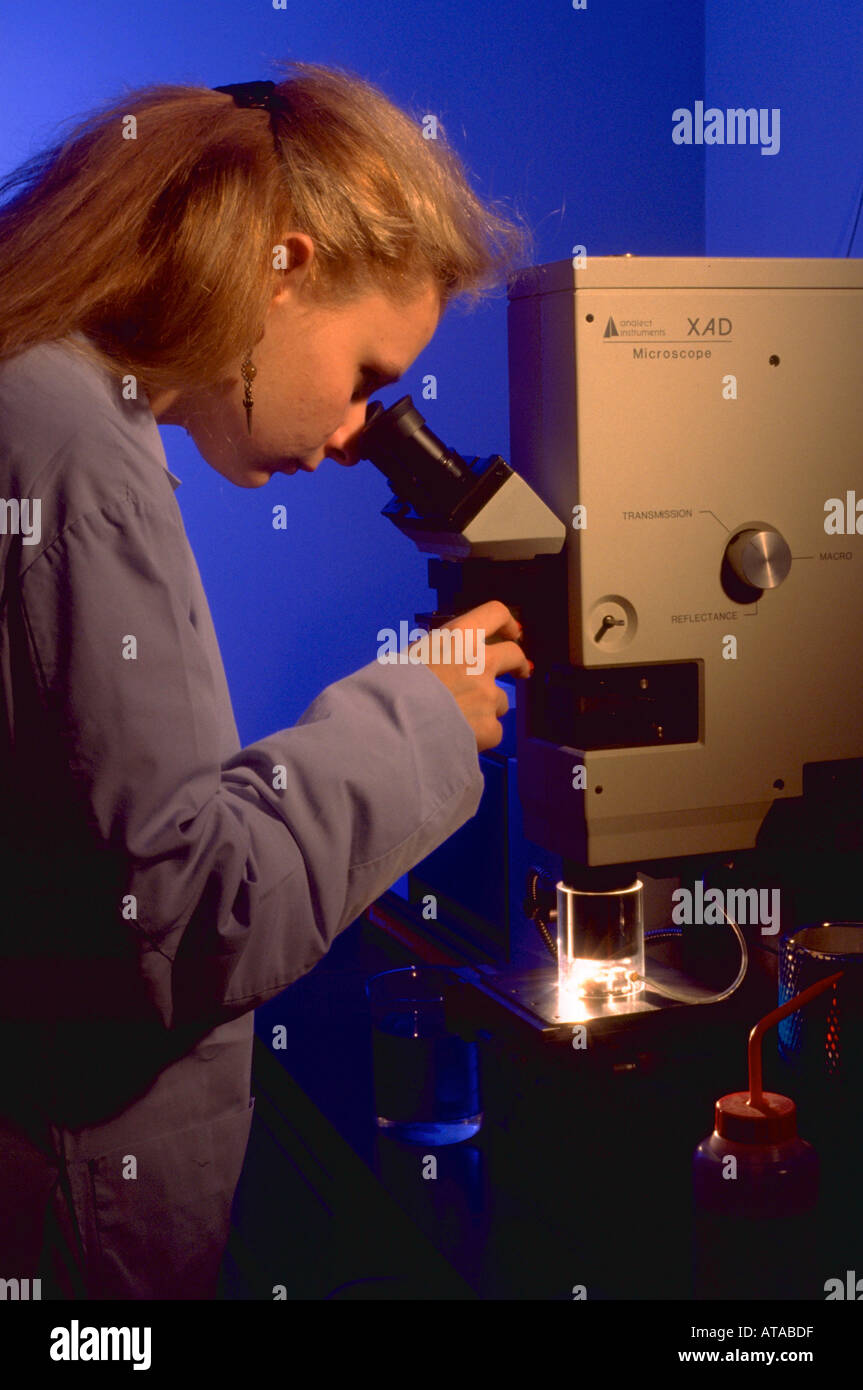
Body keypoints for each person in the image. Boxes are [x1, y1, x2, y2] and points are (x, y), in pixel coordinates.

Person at [0, 61, 532, 1299]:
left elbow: (99, 849)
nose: (358, 433)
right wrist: (423, 712)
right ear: (280, 268)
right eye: (365, 378)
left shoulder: (47, 401)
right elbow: (175, 913)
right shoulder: (77, 451)